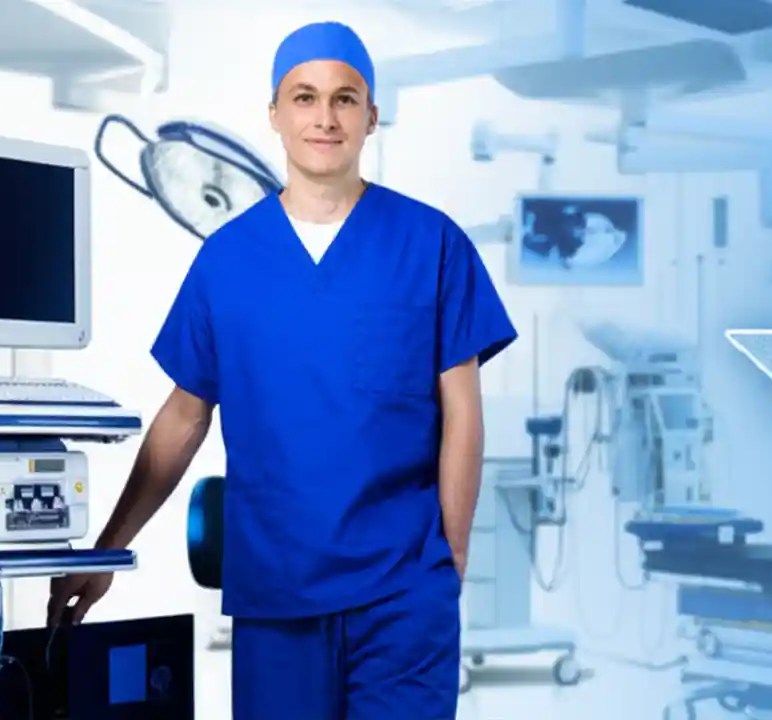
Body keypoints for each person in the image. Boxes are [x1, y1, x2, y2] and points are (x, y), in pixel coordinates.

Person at [46, 20, 517, 720]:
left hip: (403, 598)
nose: (324, 117)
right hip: (277, 598)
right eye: (304, 97)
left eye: (345, 99)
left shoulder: (431, 242)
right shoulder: (229, 260)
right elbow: (184, 414)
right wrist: (108, 550)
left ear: (370, 116)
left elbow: (464, 414)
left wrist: (446, 564)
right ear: (275, 113)